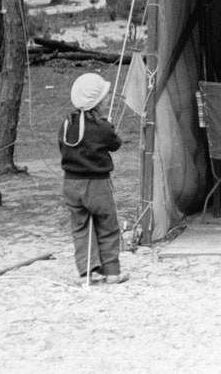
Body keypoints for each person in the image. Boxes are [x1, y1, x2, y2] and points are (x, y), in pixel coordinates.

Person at [59, 72, 127, 285]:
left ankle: (87, 272)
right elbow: (116, 144)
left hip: (70, 184)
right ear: (98, 102)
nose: (107, 99)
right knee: (107, 225)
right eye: (105, 97)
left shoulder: (66, 124)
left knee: (80, 228)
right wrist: (109, 127)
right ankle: (112, 272)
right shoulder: (102, 127)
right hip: (97, 186)